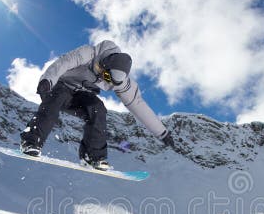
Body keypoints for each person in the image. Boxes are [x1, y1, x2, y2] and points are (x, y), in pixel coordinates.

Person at [20, 40, 174, 170]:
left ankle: (93, 157)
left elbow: (138, 105)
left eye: (110, 81)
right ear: (104, 63)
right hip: (57, 86)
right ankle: (31, 142)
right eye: (106, 75)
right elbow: (62, 64)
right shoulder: (88, 54)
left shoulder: (121, 82)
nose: (105, 80)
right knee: (57, 98)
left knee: (98, 109)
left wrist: (162, 132)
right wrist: (47, 80)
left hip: (80, 95)